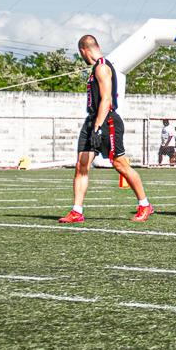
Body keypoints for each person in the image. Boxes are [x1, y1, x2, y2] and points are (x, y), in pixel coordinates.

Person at [62, 35, 151, 223]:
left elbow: (107, 99)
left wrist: (97, 128)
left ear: (83, 51)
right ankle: (77, 211)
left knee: (120, 164)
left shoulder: (102, 67)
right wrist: (92, 125)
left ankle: (145, 205)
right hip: (92, 120)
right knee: (82, 164)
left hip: (107, 121)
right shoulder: (95, 69)